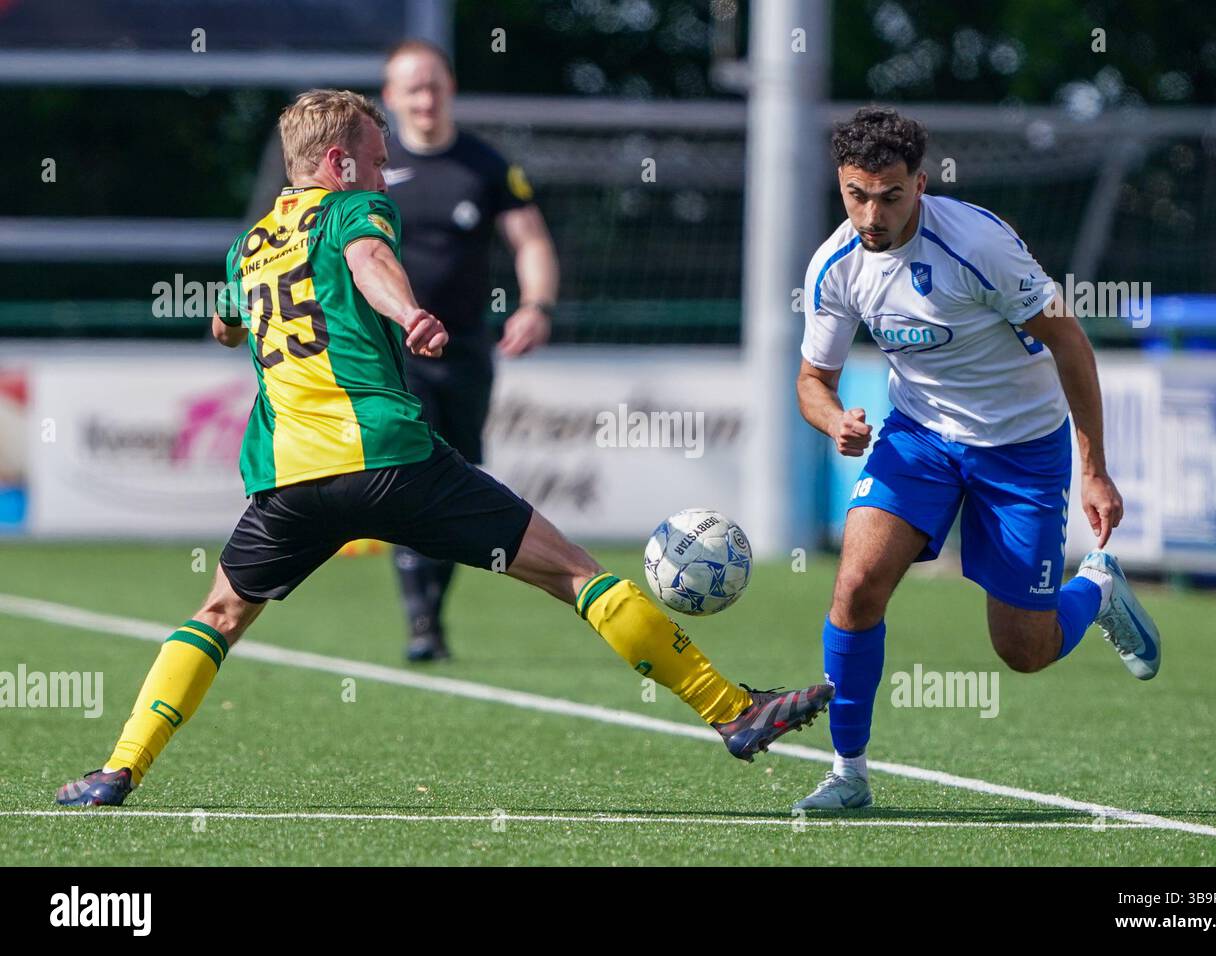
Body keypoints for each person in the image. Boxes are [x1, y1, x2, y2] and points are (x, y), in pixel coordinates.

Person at [55, 89, 831, 808]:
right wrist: (413, 313)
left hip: (289, 481)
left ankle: (120, 768)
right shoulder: (351, 208)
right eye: (377, 156)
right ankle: (732, 710)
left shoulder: (250, 243)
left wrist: (236, 323)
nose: (387, 174)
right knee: (573, 573)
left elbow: (224, 326)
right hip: (391, 461)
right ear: (339, 163)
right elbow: (369, 262)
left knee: (218, 613)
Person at [792, 107, 1161, 812]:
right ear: (840, 185)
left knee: (1025, 651)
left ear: (920, 184)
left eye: (890, 195)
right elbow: (813, 381)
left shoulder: (977, 243)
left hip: (1021, 447)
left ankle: (1099, 590)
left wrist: (1095, 467)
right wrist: (834, 420)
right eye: (856, 194)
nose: (872, 212)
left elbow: (1069, 342)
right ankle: (847, 772)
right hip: (920, 439)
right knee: (857, 586)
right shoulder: (834, 267)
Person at [381, 39, 560, 662]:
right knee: (412, 470)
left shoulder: (485, 165)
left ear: (449, 89)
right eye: (412, 88)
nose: (425, 98)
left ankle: (433, 613)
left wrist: (535, 306)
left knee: (456, 476)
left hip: (466, 352)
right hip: (393, 353)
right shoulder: (372, 168)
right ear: (391, 97)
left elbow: (530, 240)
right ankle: (419, 621)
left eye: (434, 85)